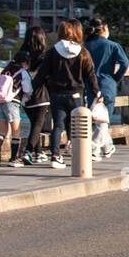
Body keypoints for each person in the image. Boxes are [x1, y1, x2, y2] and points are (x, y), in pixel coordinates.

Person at [31, 18, 102, 169]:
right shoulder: (83, 52)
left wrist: (31, 89)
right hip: (76, 95)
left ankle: (56, 155)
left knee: (58, 125)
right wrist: (96, 92)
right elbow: (91, 75)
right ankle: (78, 153)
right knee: (76, 126)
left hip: (57, 94)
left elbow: (41, 75)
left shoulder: (53, 52)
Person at [85, 18, 129, 160]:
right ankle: (93, 148)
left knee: (96, 117)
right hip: (107, 83)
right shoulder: (112, 45)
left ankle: (107, 147)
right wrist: (115, 78)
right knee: (103, 119)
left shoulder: (85, 46)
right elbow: (125, 64)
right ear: (104, 29)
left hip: (89, 85)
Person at [0, 54, 32, 167]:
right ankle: (14, 159)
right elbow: (27, 89)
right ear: (25, 62)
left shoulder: (5, 71)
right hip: (12, 102)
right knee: (16, 131)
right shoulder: (22, 72)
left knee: (2, 130)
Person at [16, 25, 51, 165]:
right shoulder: (44, 56)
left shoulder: (20, 55)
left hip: (24, 96)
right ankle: (28, 151)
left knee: (34, 125)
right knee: (38, 125)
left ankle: (39, 152)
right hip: (41, 94)